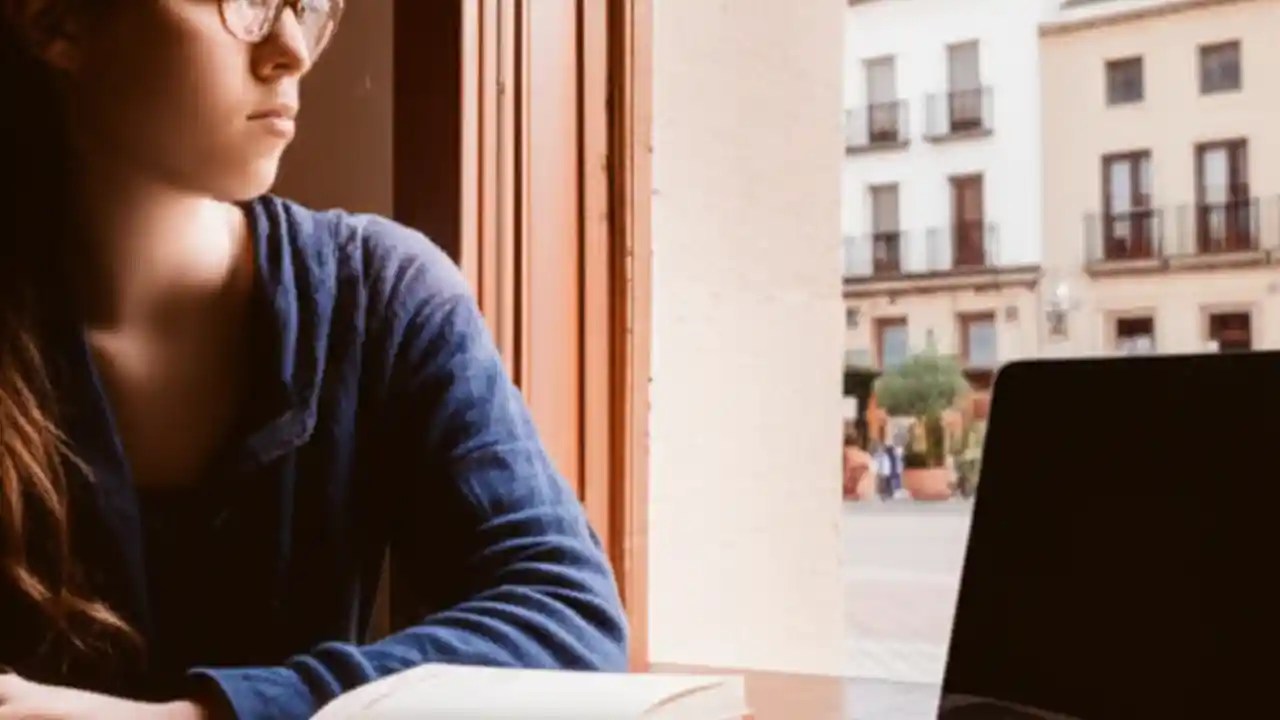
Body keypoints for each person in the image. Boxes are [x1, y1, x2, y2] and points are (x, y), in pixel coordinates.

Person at [0, 1, 628, 718]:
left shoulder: (379, 297)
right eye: (244, 3)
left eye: (309, 4)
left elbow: (569, 625)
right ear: (57, 22)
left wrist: (204, 716)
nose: (291, 51)